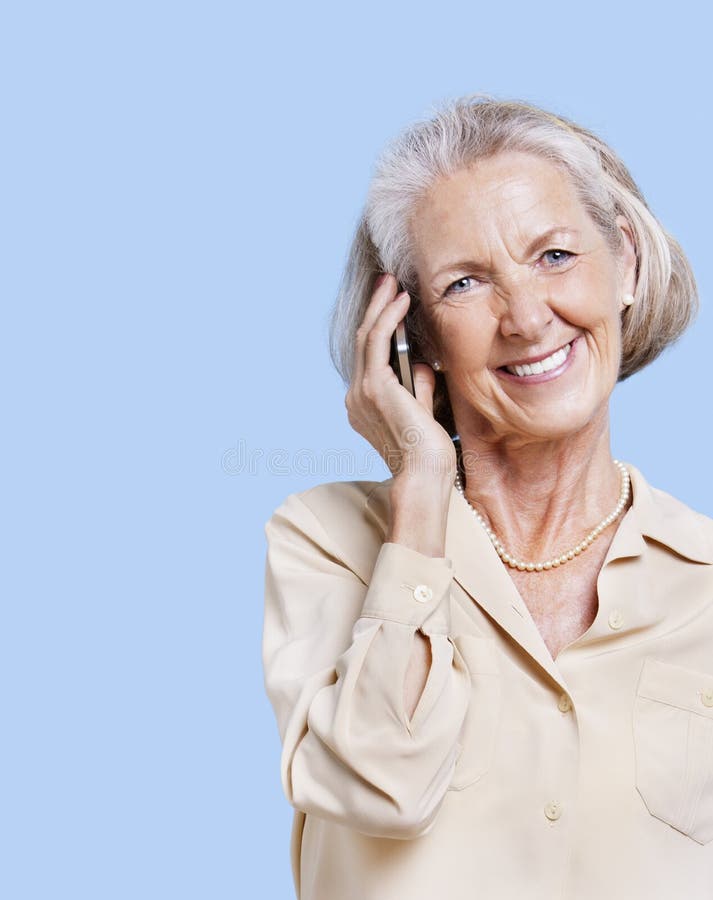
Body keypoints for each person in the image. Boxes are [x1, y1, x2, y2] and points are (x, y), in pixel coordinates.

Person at [261, 95, 713, 900]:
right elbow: (377, 790)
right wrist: (422, 487)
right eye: (466, 282)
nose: (528, 317)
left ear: (628, 269)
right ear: (412, 335)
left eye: (554, 257)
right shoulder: (324, 541)